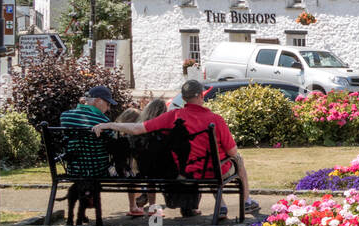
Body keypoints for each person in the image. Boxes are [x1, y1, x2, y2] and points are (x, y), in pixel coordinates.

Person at [93, 79, 259, 217]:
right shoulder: (215, 119)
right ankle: (246, 202)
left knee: (208, 164)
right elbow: (232, 152)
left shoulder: (173, 116)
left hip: (187, 171)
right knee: (236, 160)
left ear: (184, 98)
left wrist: (110, 124)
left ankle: (221, 206)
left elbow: (138, 128)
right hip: (215, 171)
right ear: (201, 96)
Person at [59, 86, 121, 178]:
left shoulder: (65, 116)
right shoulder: (103, 121)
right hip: (98, 171)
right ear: (98, 100)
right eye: (108, 104)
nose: (108, 108)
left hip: (74, 171)